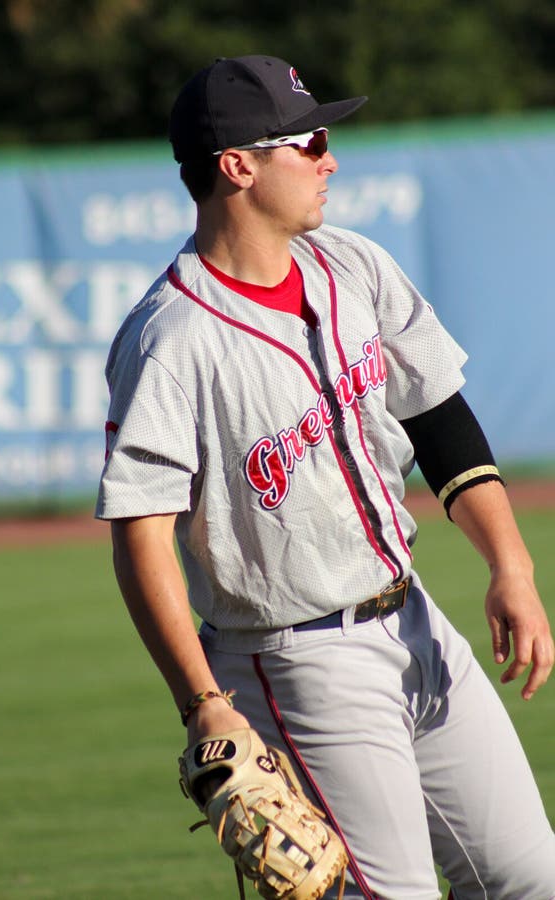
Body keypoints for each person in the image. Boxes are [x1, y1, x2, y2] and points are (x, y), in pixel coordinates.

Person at [95, 55, 555, 899]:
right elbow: (141, 536)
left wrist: (511, 567)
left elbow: (440, 423)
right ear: (238, 165)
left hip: (414, 619)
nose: (328, 158)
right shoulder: (171, 339)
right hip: (300, 663)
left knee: (531, 878)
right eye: (306, 141)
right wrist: (203, 704)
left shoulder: (354, 266)